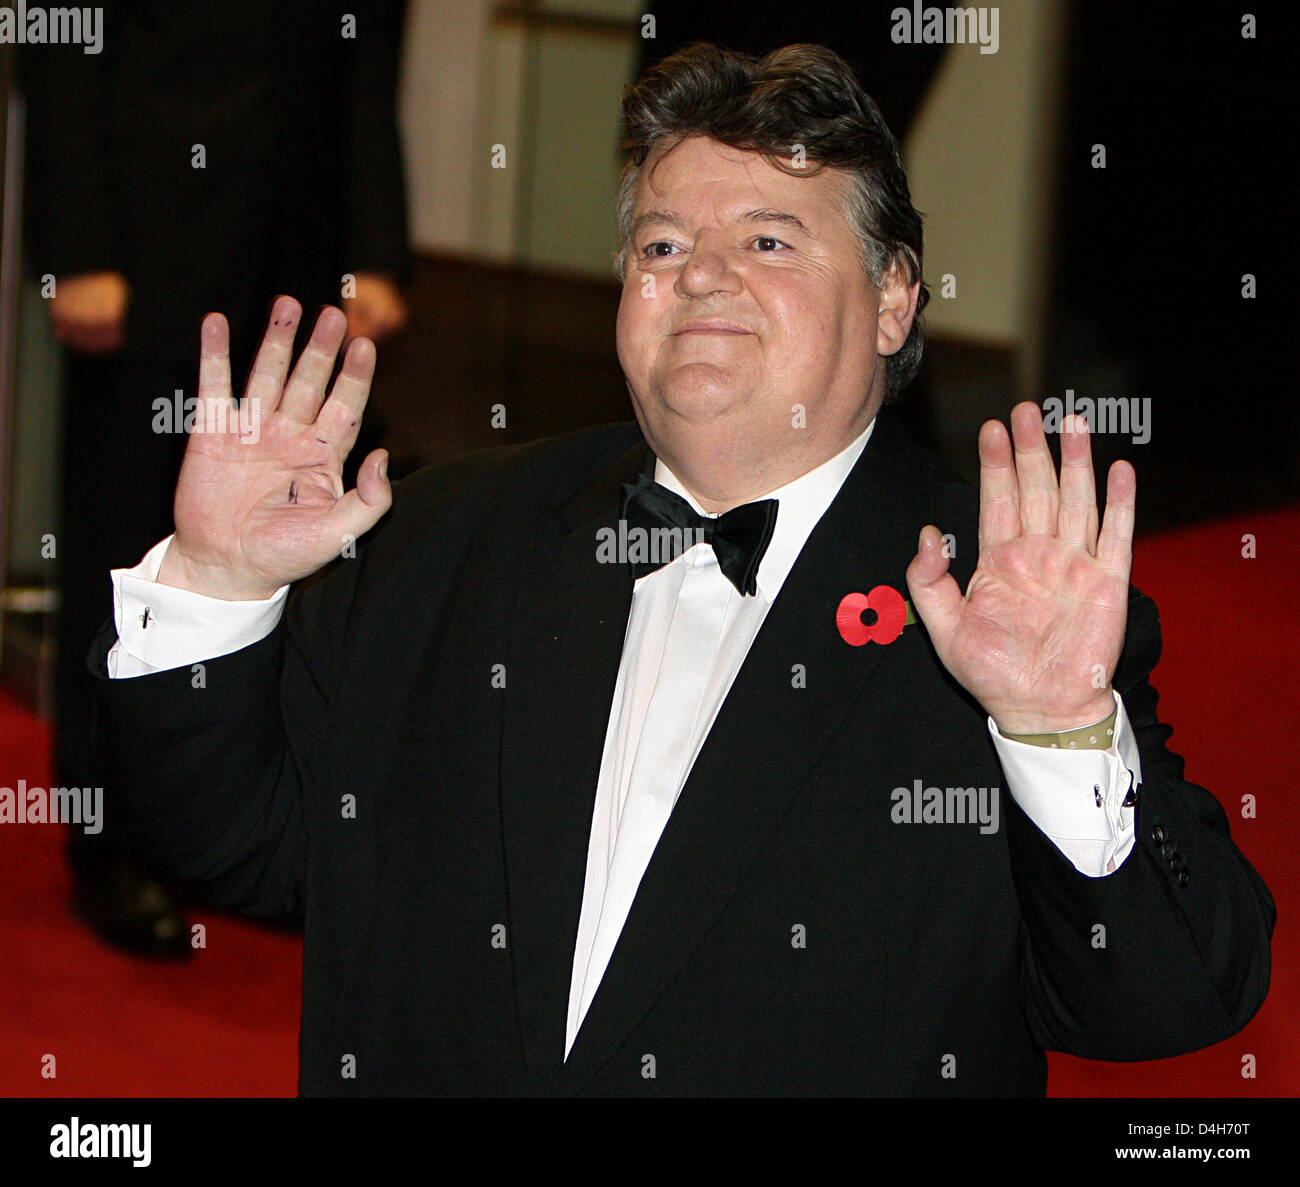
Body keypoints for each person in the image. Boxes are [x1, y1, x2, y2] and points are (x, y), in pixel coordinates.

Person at [89, 44, 1273, 1095]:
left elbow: (1162, 1003)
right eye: (662, 242)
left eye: (767, 239)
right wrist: (216, 581)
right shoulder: (437, 535)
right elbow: (228, 842)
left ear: (894, 300)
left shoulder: (1004, 607)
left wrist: (1056, 729)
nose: (699, 272)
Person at [21, 0, 410, 955]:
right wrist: (74, 247)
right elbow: (63, 49)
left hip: (300, 245)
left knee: (292, 544)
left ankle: (250, 821)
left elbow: (367, 64)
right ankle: (113, 839)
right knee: (128, 540)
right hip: (147, 252)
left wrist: (377, 247)